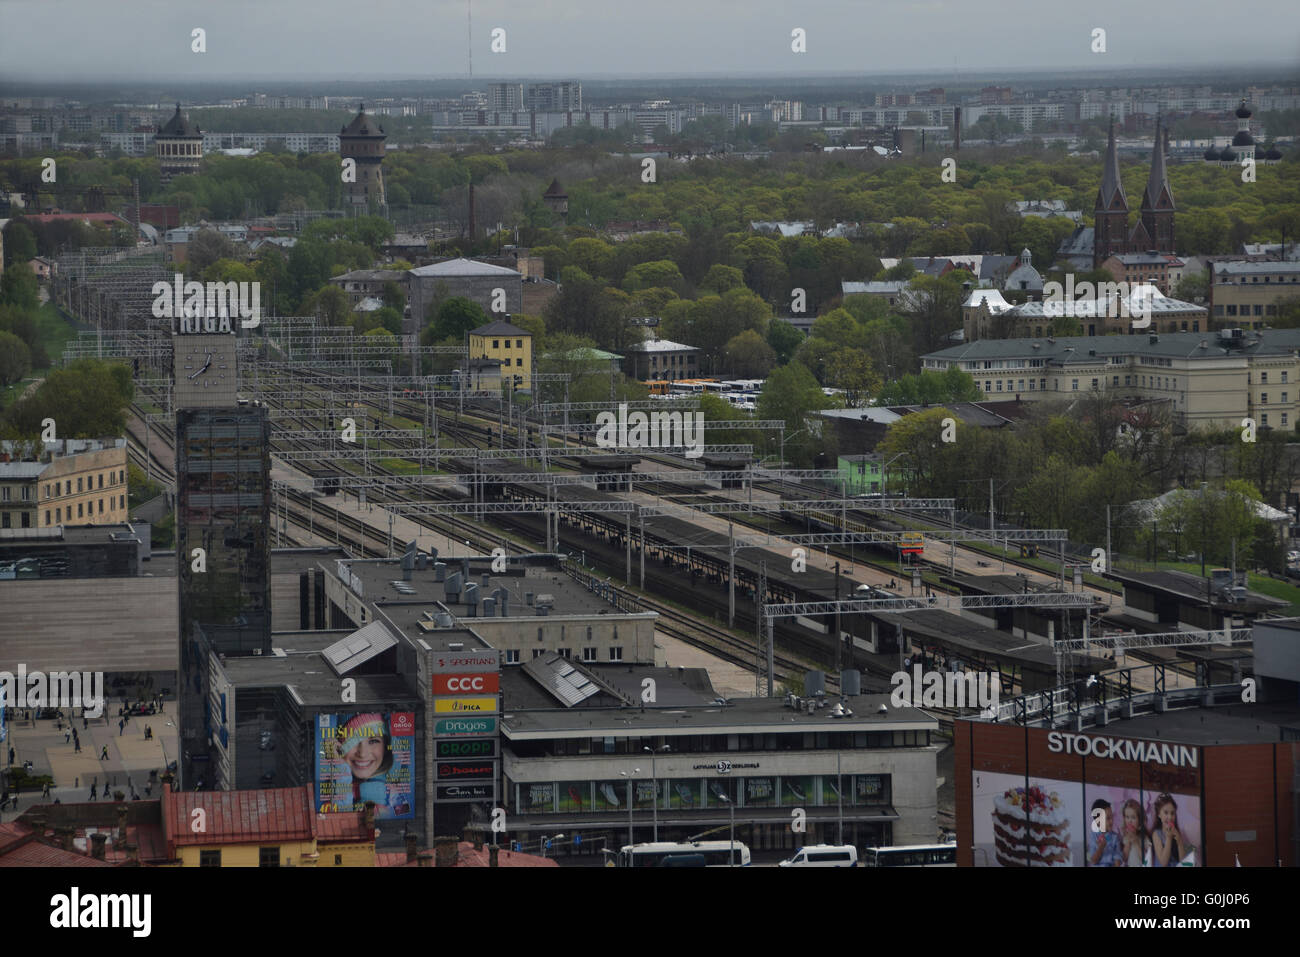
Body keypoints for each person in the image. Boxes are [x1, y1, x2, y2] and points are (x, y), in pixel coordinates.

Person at [1150, 793, 1193, 867]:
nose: (1170, 817)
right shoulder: (1156, 834)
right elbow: (1163, 863)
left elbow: (1183, 862)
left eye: (1172, 813)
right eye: (1166, 813)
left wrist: (1179, 842)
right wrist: (1169, 838)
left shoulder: (1176, 832)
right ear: (1159, 814)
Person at [1088, 799, 1123, 867]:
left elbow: (1117, 859)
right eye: (1108, 818)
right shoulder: (1094, 836)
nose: (1111, 821)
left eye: (1112, 817)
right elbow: (1093, 861)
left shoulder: (1114, 837)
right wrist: (1101, 847)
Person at [1121, 798, 1148, 868]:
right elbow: (1124, 858)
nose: (1130, 821)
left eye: (1133, 817)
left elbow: (1145, 859)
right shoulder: (1125, 838)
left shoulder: (1144, 838)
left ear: (1139, 821)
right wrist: (1128, 843)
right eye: (1127, 817)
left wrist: (1136, 842)